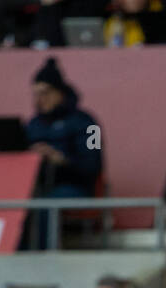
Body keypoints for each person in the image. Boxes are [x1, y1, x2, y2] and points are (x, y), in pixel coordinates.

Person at [26, 57, 103, 198]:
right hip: (37, 186)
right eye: (36, 93)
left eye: (45, 92)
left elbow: (94, 165)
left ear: (61, 93)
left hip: (75, 187)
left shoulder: (88, 123)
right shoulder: (33, 124)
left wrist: (61, 160)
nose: (40, 99)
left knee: (46, 203)